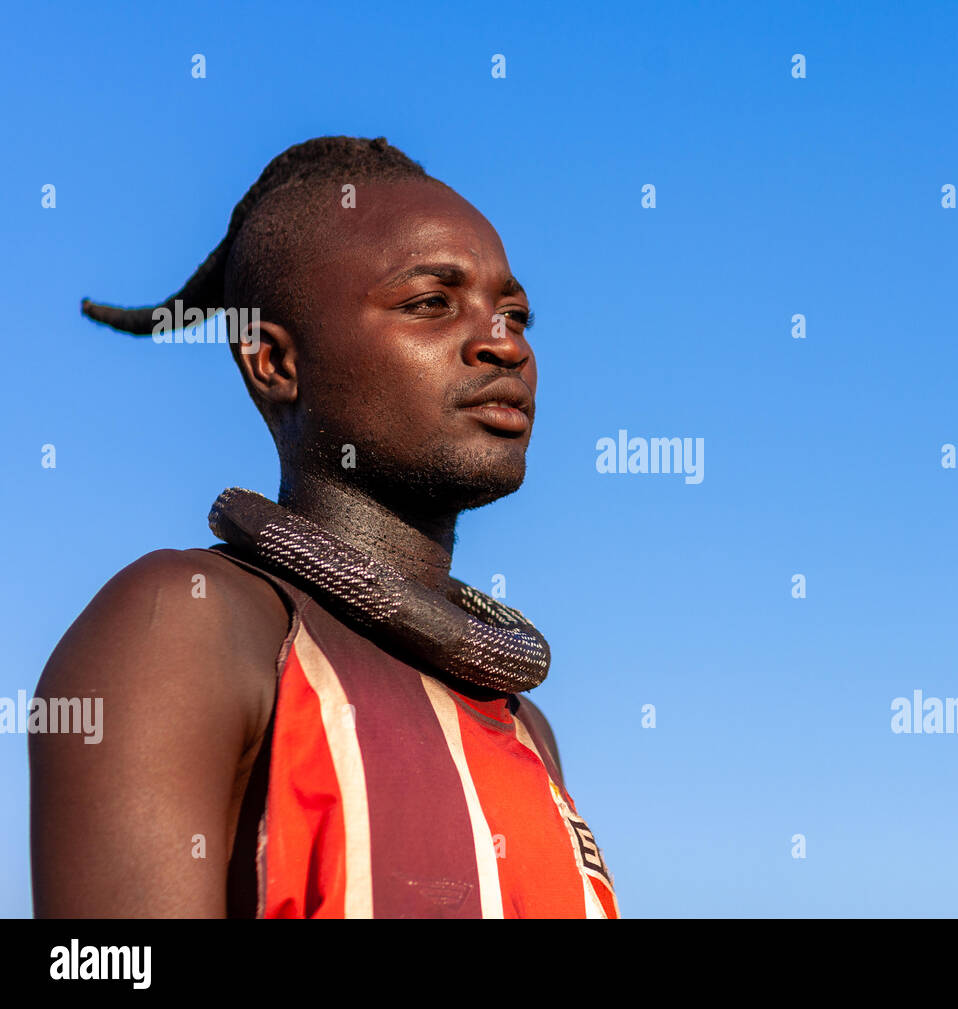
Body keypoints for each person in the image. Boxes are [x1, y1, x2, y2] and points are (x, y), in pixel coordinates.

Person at [30, 136, 620, 919]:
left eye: (514, 312)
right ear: (273, 362)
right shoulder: (186, 625)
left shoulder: (521, 722)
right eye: (431, 303)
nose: (502, 342)